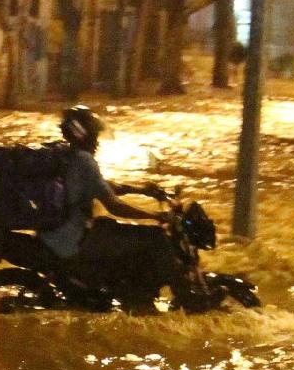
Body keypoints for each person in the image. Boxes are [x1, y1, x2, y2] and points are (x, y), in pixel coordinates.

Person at [41, 105, 190, 304]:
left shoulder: (68, 155)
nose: (97, 142)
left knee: (107, 226)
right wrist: (156, 216)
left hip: (59, 235)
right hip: (72, 240)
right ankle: (140, 300)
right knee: (155, 238)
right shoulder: (83, 160)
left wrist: (141, 190)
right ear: (83, 134)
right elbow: (114, 206)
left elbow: (102, 186)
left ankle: (130, 292)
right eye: (94, 135)